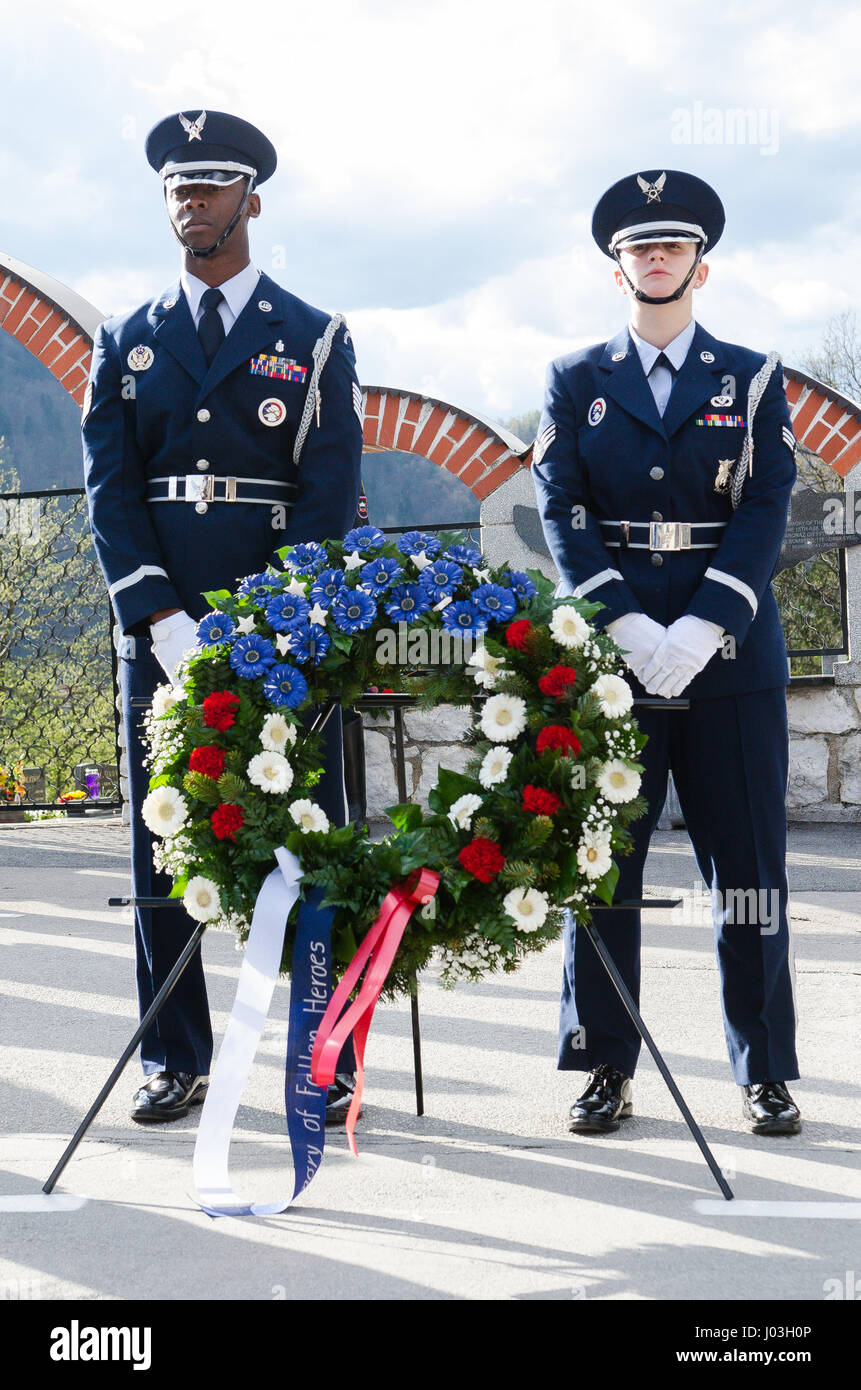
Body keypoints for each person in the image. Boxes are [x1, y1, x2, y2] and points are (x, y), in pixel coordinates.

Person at [83, 110, 363, 1124]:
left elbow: (328, 500)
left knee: (302, 837)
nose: (188, 204)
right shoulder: (126, 339)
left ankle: (320, 1058)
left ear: (252, 200)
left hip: (279, 639)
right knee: (163, 844)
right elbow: (110, 490)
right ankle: (177, 1055)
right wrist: (157, 617)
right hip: (161, 633)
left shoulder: (315, 335)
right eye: (174, 189)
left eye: (208, 187)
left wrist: (274, 627)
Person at [532, 169, 801, 1137]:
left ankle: (764, 1066)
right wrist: (627, 627)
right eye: (638, 247)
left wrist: (702, 626)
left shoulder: (753, 376)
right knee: (605, 869)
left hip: (730, 657)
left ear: (701, 263)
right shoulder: (574, 381)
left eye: (672, 244)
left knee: (752, 873)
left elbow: (768, 507)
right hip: (618, 658)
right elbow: (562, 511)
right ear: (618, 271)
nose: (655, 257)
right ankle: (605, 1062)